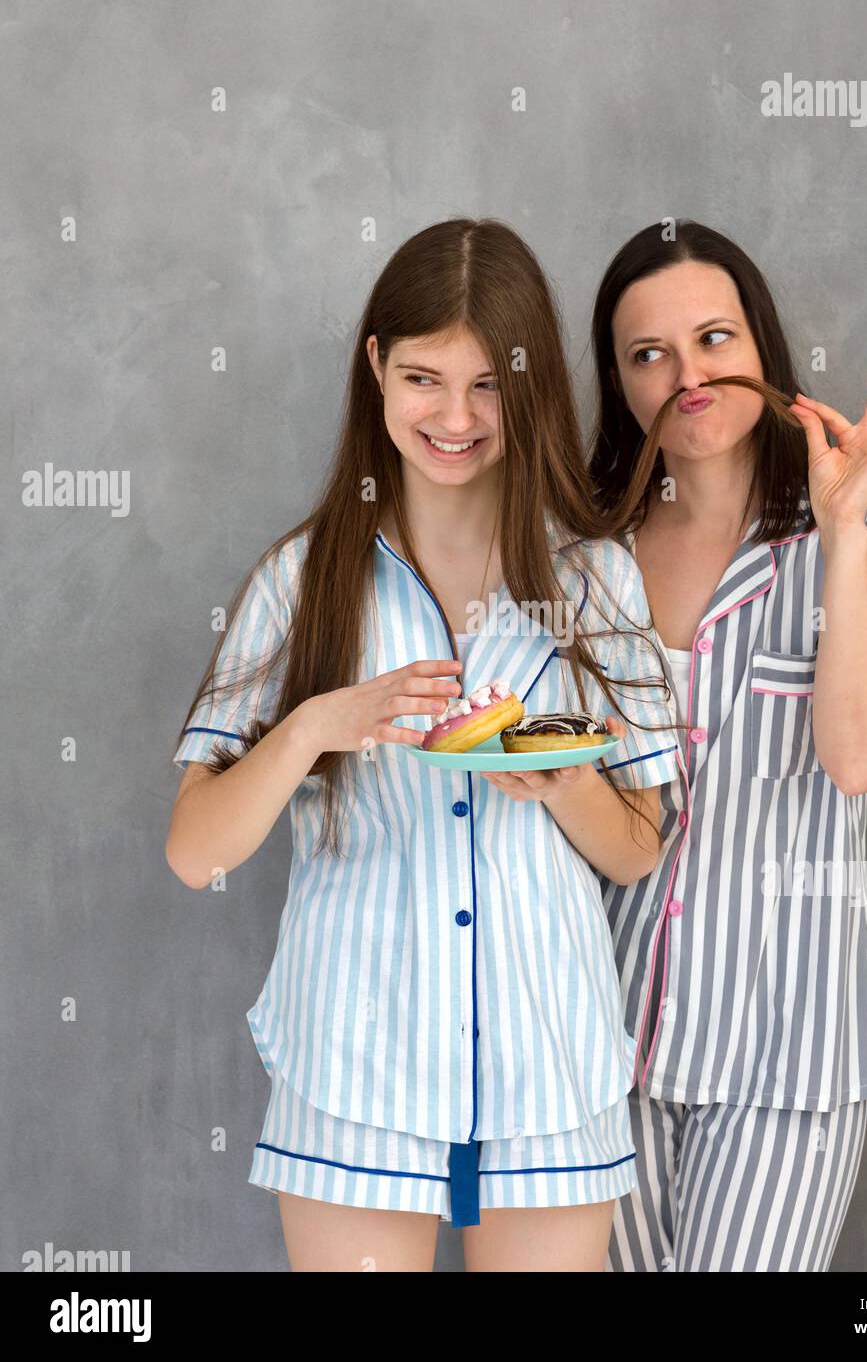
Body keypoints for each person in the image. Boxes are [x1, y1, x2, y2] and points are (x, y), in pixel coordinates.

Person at [165, 217, 681, 1272]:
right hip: (352, 1071)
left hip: (549, 1075)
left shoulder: (596, 582)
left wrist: (561, 778)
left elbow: (638, 848)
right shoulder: (301, 583)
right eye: (421, 378)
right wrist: (317, 725)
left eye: (489, 383)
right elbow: (194, 851)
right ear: (375, 373)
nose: (454, 416)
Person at [588, 219, 867, 1272]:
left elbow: (860, 755)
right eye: (647, 354)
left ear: (761, 349)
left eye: (712, 339)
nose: (686, 375)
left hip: (786, 1053)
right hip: (597, 1046)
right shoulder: (587, 548)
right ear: (617, 382)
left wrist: (839, 540)